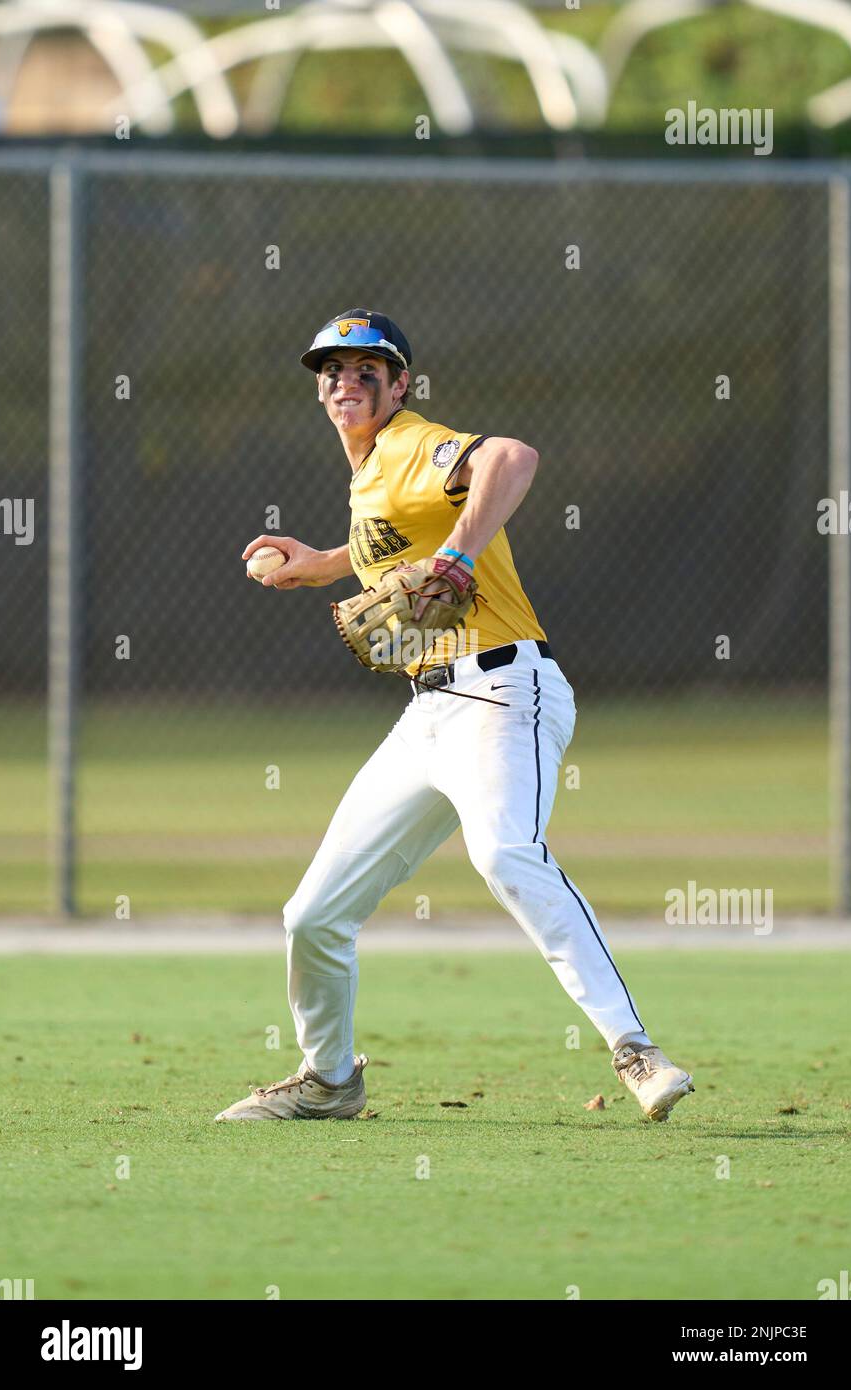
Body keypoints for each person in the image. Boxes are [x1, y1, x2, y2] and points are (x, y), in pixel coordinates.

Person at [217, 308, 694, 1125]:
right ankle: (329, 1080)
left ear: (401, 384)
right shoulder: (373, 474)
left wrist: (460, 554)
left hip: (504, 692)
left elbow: (513, 456)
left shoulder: (409, 442)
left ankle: (635, 1050)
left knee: (506, 853)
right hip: (428, 713)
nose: (345, 382)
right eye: (331, 370)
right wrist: (321, 565)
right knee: (314, 914)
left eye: (368, 369)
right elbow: (400, 541)